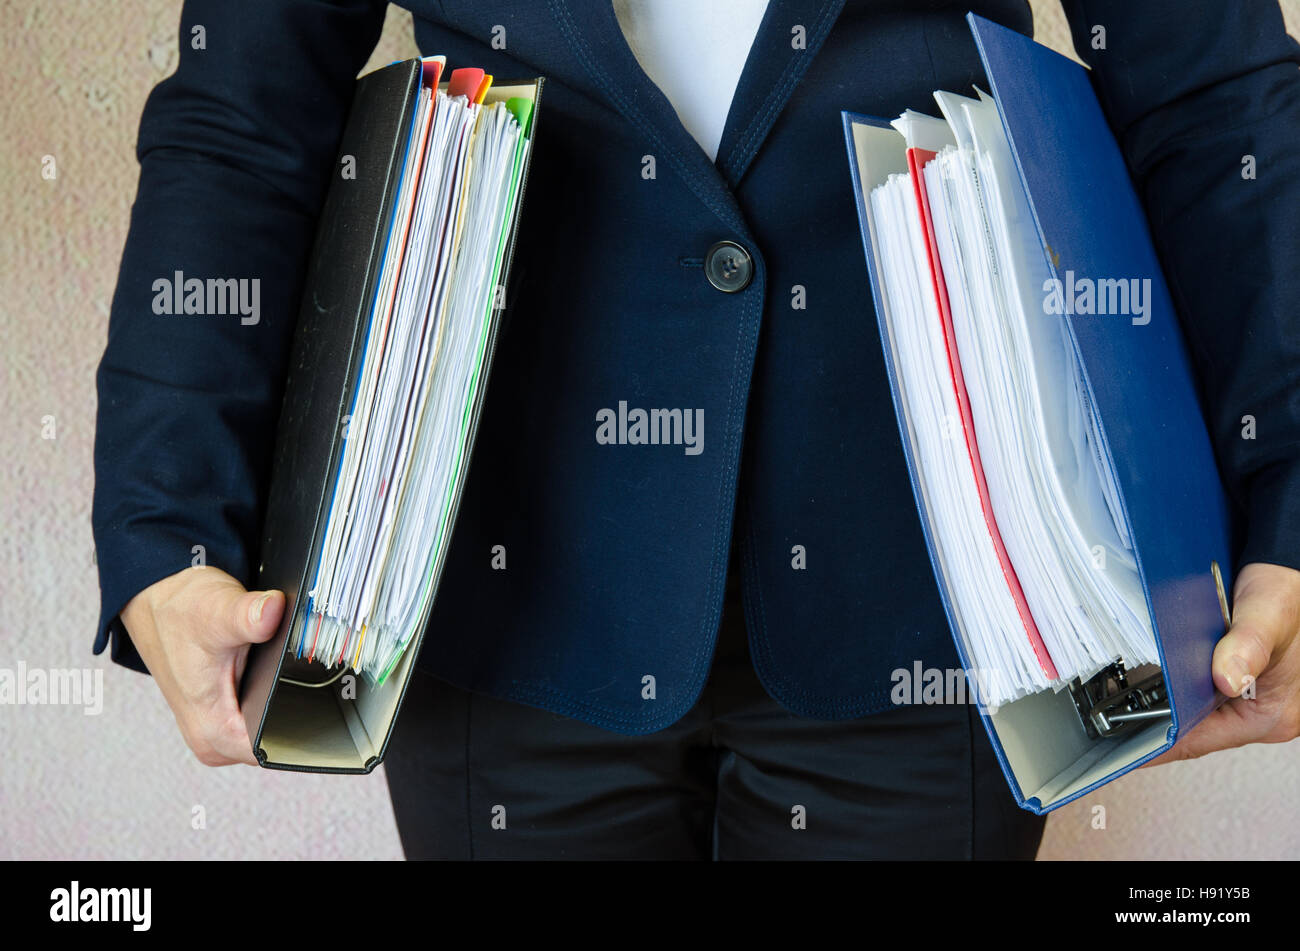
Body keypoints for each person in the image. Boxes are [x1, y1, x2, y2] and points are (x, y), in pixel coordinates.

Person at [93, 0, 1300, 859]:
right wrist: (166, 522)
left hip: (946, 594)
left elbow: (1212, 103)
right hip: (499, 590)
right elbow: (241, 117)